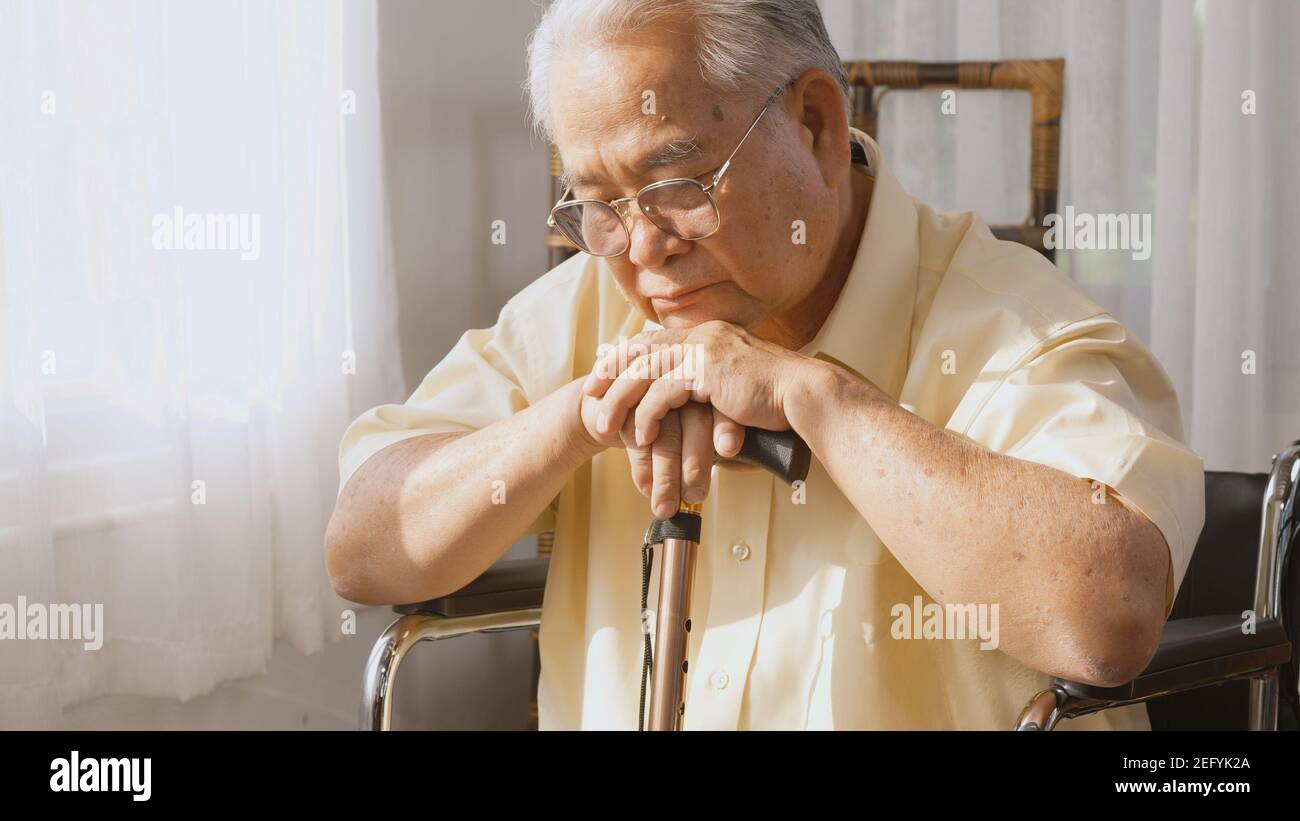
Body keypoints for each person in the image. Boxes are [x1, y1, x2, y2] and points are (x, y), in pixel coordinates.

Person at [325, 0, 1205, 730]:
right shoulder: (592, 310)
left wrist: (814, 395)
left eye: (677, 188)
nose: (642, 250)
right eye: (597, 205)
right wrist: (583, 416)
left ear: (816, 124)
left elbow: (1107, 618)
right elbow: (365, 548)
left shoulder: (1002, 320)